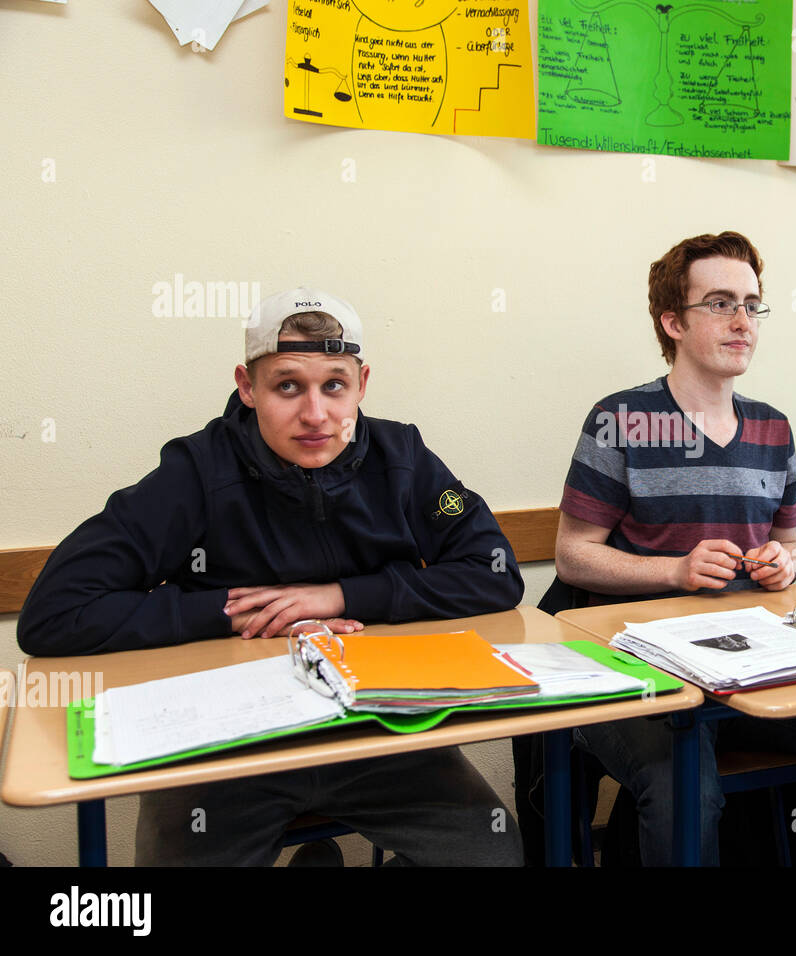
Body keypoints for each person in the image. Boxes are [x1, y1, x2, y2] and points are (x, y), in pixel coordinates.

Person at [17, 287, 525, 866]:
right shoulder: (196, 469)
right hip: (220, 750)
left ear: (361, 384)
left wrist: (340, 596)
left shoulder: (400, 454)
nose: (315, 414)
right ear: (247, 386)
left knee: (491, 851)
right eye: (287, 386)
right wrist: (231, 612)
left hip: (376, 737)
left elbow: (497, 573)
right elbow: (54, 614)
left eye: (334, 385)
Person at [550, 231, 796, 866]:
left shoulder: (772, 427)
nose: (742, 321)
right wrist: (676, 570)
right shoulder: (620, 418)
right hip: (644, 669)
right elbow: (574, 556)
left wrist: (782, 564)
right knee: (688, 793)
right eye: (719, 303)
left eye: (752, 304)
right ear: (672, 321)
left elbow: (791, 547)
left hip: (755, 663)